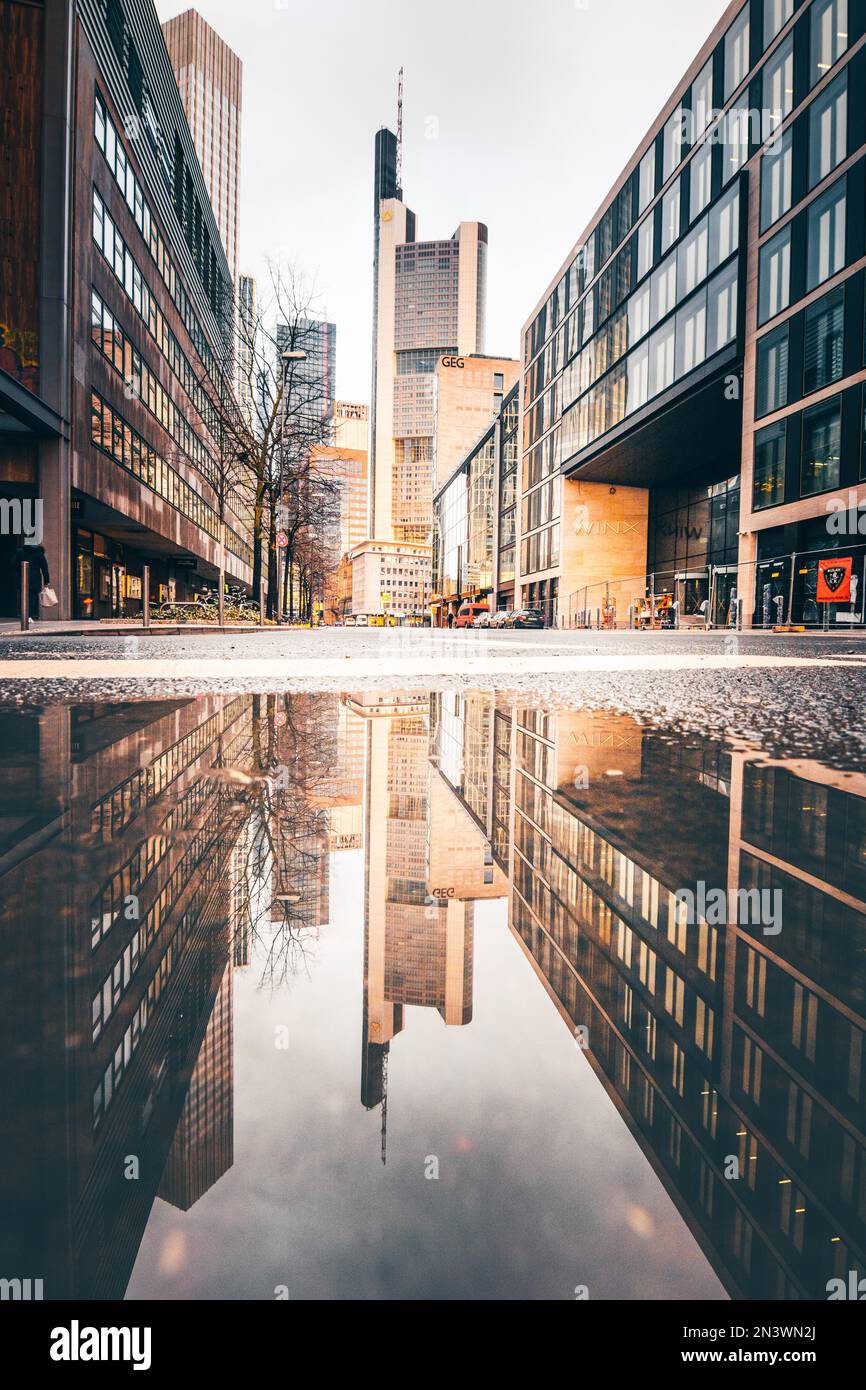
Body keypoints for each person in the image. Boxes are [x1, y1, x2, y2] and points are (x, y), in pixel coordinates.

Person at [14, 542, 50, 621]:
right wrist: (46, 581)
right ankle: (29, 616)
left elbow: (14, 564)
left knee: (22, 597)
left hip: (22, 578)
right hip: (35, 579)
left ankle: (23, 615)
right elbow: (44, 568)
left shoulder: (20, 552)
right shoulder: (39, 554)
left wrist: (17, 575)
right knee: (32, 598)